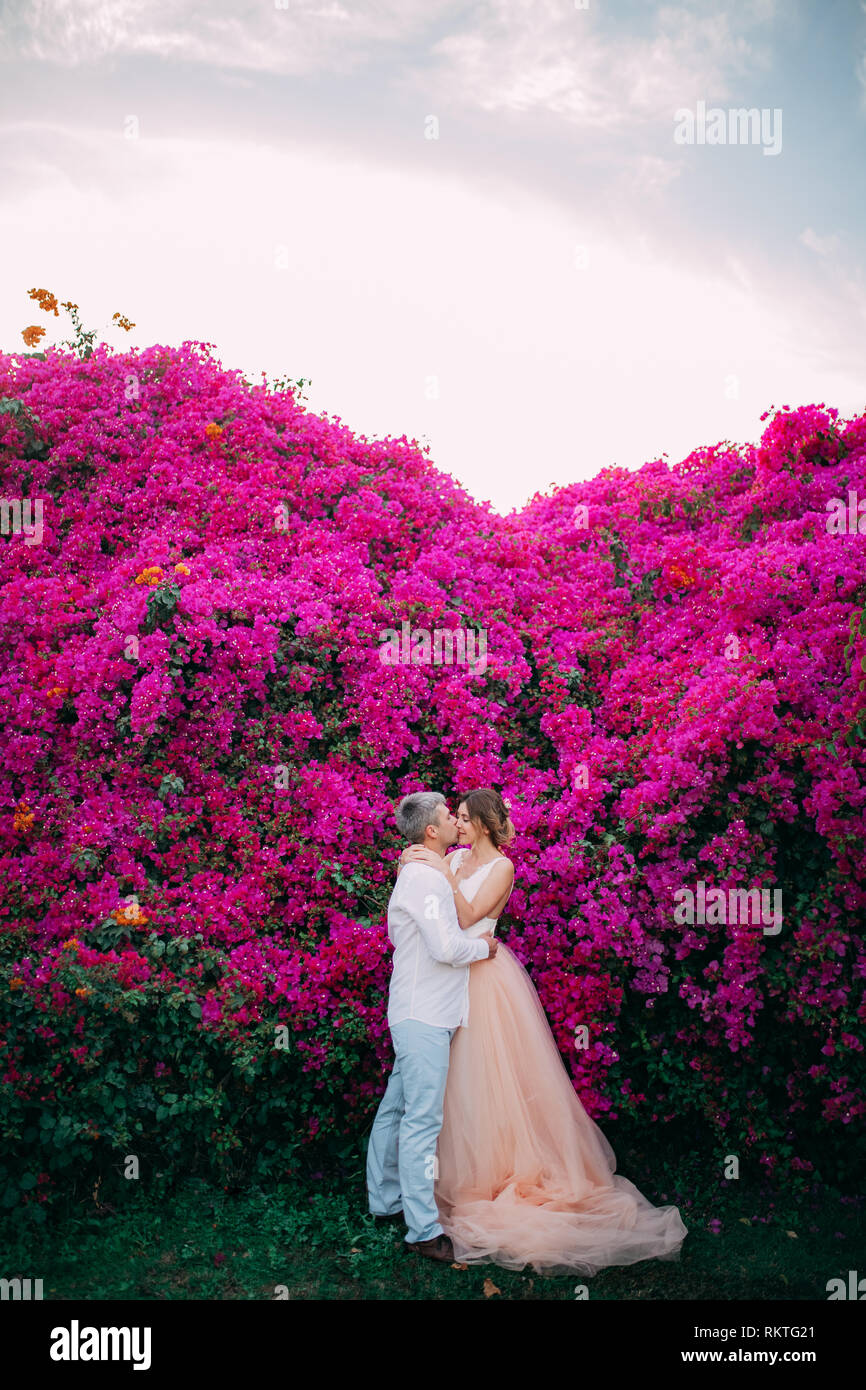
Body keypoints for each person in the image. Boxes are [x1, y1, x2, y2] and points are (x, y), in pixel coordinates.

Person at [399, 787, 688, 1277]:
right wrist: (430, 863)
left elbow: (468, 918)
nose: (459, 825)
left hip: (486, 978)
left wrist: (435, 868)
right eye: (457, 817)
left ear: (487, 825)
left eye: (467, 819)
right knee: (456, 1089)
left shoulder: (500, 868)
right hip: (447, 982)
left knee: (493, 1079)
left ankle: (502, 1176)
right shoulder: (454, 858)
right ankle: (451, 1184)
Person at [366, 790, 498, 1262]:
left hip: (420, 1009)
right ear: (431, 831)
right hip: (424, 1013)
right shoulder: (424, 877)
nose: (455, 822)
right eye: (448, 817)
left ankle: (384, 1202)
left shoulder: (426, 867)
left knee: (398, 1107)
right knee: (422, 1120)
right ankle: (422, 1230)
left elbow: (481, 853)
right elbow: (445, 947)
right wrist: (485, 949)